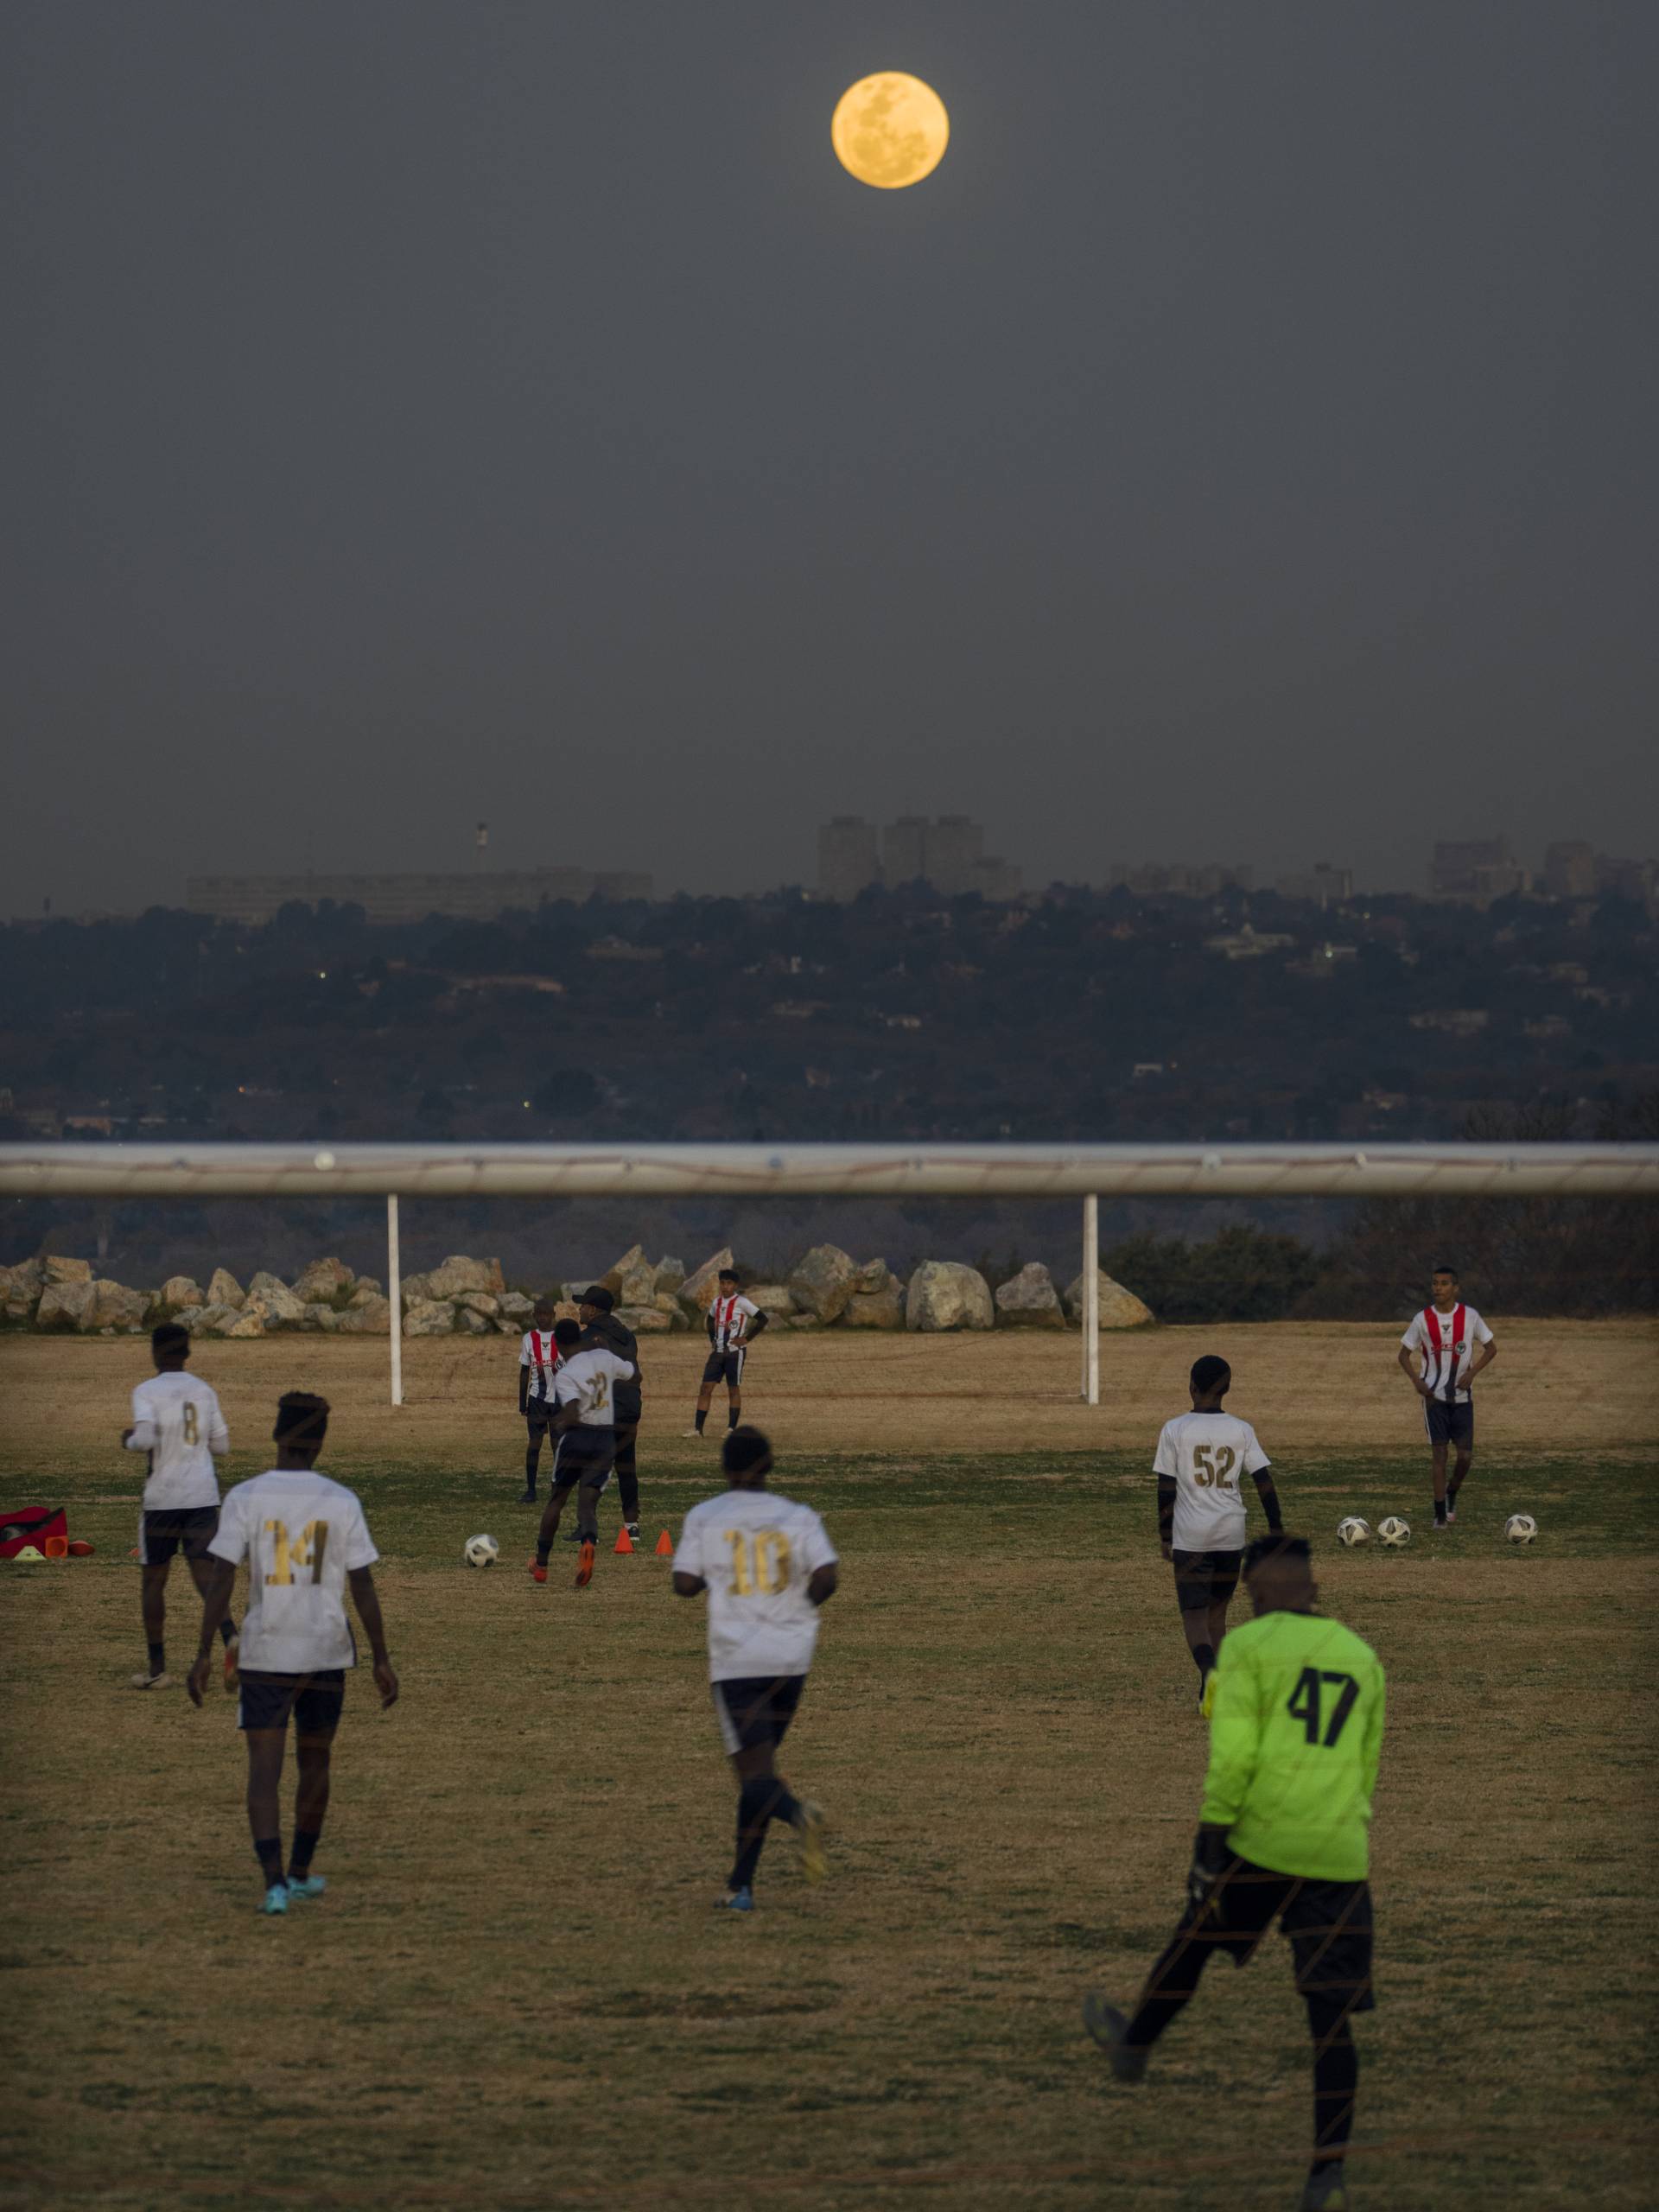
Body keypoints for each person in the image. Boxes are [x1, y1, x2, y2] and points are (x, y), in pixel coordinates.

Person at [1083, 1535, 1386, 2212]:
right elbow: (1366, 1768)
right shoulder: (1363, 1659)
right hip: (1338, 1853)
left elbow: (1233, 1762)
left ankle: (1133, 2047)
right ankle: (1327, 2179)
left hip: (1259, 1843)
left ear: (1256, 1593)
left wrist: (1207, 1849)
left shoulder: (1245, 1651)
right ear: (1312, 1586)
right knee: (1331, 2024)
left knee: (1193, 1945)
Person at [187, 1392, 398, 1916]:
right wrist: (380, 1658)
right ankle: (301, 1870)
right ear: (320, 1442)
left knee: (264, 1769)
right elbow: (364, 1584)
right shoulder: (341, 1500)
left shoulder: (245, 1497)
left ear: (277, 1436)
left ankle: (274, 1882)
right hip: (327, 1650)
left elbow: (220, 1581)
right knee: (315, 1761)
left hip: (265, 1653)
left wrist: (203, 1654)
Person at [671, 1427, 836, 1912]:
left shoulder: (705, 1516)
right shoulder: (799, 1516)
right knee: (758, 1771)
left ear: (725, 1469)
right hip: (792, 1657)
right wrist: (799, 1609)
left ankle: (801, 1815)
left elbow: (683, 1584)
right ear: (770, 1465)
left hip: (739, 1661)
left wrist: (708, 1573)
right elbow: (828, 1576)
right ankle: (740, 1886)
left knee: (757, 1775)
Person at [1153, 1356, 1283, 1714]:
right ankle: (1211, 1693)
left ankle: (1211, 1675)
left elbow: (1166, 1487)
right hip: (1231, 1534)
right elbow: (1264, 1483)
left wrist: (1166, 1534)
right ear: (1226, 1389)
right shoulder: (1241, 1429)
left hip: (1192, 1536)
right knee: (1218, 1615)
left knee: (1194, 1617)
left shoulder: (1175, 1429)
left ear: (1191, 1386)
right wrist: (1276, 1530)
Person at [121, 1321, 237, 1692]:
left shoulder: (146, 1391)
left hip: (162, 1498)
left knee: (154, 1580)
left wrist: (128, 1441)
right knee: (207, 1575)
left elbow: (145, 1438)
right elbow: (221, 1446)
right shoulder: (204, 1391)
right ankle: (232, 1637)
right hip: (202, 1495)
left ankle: (157, 1668)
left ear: (154, 1352)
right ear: (187, 1353)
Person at [529, 1319, 636, 1588]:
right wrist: (612, 1351)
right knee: (587, 1505)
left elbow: (574, 1411)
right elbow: (635, 1375)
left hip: (578, 1438)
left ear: (557, 1344)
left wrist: (563, 1420)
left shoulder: (566, 1374)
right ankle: (588, 1544)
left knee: (557, 1499)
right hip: (604, 1439)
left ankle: (541, 1565)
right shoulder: (604, 1356)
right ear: (579, 1336)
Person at [1396, 1265, 1497, 1529]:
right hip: (1434, 1398)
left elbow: (1491, 1348)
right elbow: (1403, 1355)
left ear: (1455, 1288)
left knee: (1465, 1458)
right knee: (1439, 1455)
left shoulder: (1470, 1317)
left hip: (1462, 1398)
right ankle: (1439, 1515)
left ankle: (1452, 1492)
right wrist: (1417, 1381)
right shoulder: (1422, 1319)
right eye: (1434, 1283)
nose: (1438, 1288)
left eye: (1443, 1283)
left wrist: (1472, 1373)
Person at [578, 1285, 643, 1544]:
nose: (579, 1309)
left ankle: (585, 1527)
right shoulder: (627, 1334)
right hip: (630, 1408)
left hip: (605, 1410)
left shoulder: (588, 1337)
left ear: (592, 1310)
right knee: (626, 1467)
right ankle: (632, 1526)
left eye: (582, 1305)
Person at [688, 1267, 768, 1437]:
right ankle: (697, 1430)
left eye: (729, 1283)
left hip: (734, 1352)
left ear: (735, 1285)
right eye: (722, 1283)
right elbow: (710, 1319)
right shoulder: (716, 1302)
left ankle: (731, 1428)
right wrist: (712, 1339)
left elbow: (763, 1319)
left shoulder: (742, 1302)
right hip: (717, 1352)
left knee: (733, 1389)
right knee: (705, 1388)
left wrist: (746, 1339)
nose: (725, 1286)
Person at [517, 1299, 563, 1505]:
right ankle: (531, 1490)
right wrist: (522, 1402)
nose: (543, 1318)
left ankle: (557, 1488)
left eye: (547, 1314)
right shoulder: (528, 1339)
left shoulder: (562, 1337)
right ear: (534, 1315)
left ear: (553, 1314)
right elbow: (525, 1370)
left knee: (557, 1445)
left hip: (559, 1400)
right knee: (534, 1445)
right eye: (540, 1314)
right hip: (536, 1399)